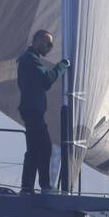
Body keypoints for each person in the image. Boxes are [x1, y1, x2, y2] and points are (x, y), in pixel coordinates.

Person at [16, 30, 69, 194]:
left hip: (31, 111)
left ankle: (27, 188)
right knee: (44, 147)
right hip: (32, 112)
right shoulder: (30, 59)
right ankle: (45, 186)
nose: (50, 47)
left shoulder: (30, 59)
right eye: (48, 43)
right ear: (36, 41)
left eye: (51, 45)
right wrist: (62, 66)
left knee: (33, 151)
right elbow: (46, 80)